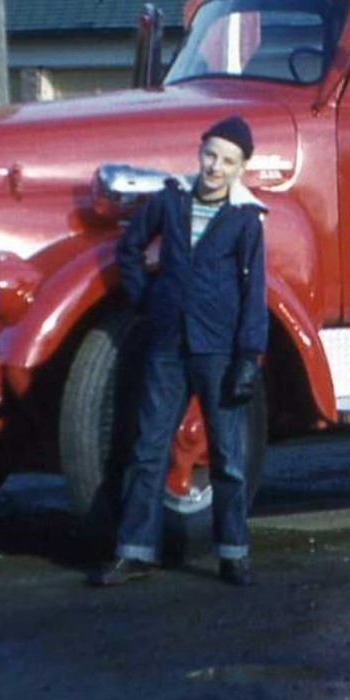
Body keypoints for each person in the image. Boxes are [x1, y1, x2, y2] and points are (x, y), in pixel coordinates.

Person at [92, 116, 268, 588]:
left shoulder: (247, 220)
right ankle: (133, 553)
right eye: (211, 155)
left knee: (228, 458)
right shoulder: (169, 202)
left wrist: (249, 356)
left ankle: (233, 553)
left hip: (218, 349)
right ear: (200, 153)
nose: (215, 166)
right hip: (167, 345)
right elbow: (129, 249)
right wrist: (146, 300)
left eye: (227, 160)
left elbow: (255, 292)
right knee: (148, 450)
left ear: (240, 168)